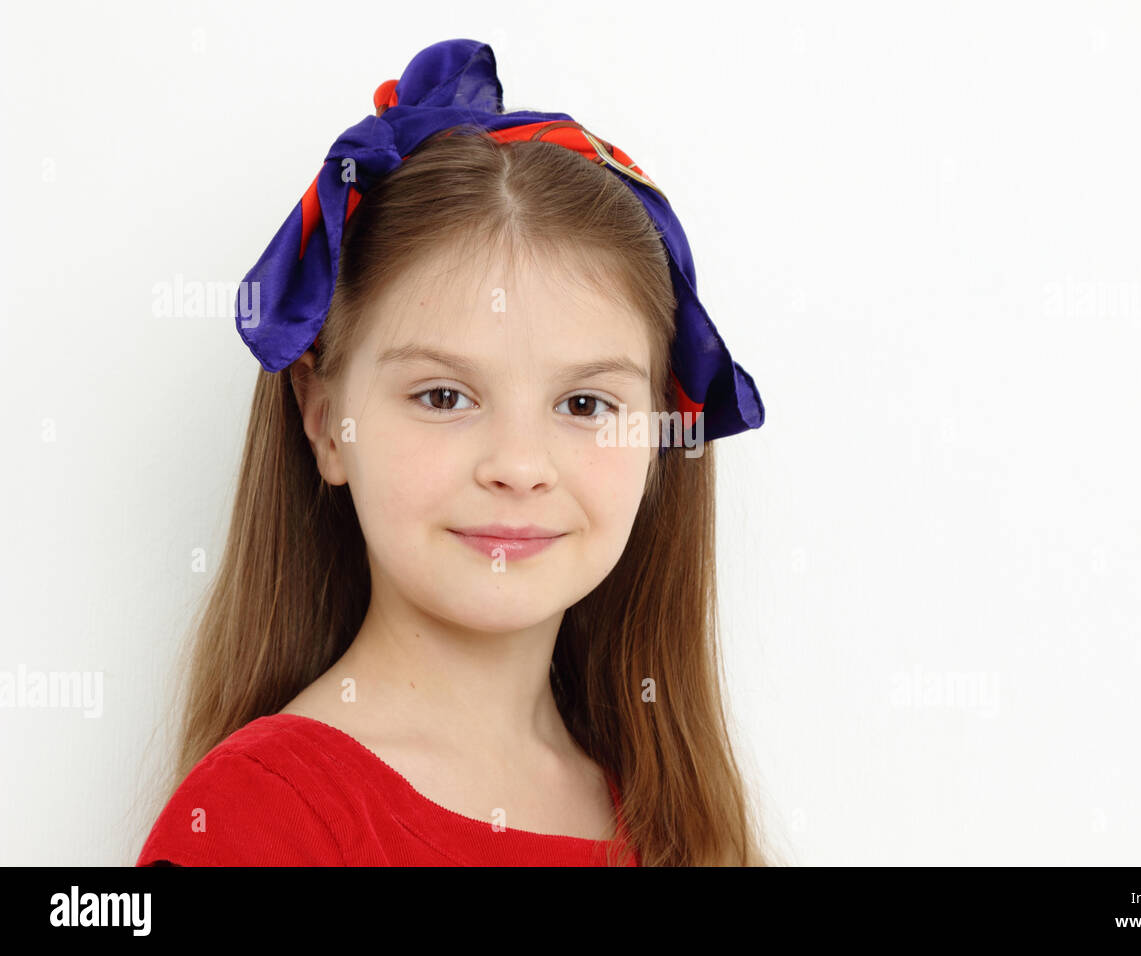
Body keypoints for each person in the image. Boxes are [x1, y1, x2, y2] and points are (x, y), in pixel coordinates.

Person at [135, 38, 768, 867]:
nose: (518, 464)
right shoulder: (261, 819)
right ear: (326, 422)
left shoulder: (670, 812)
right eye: (444, 396)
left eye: (584, 404)